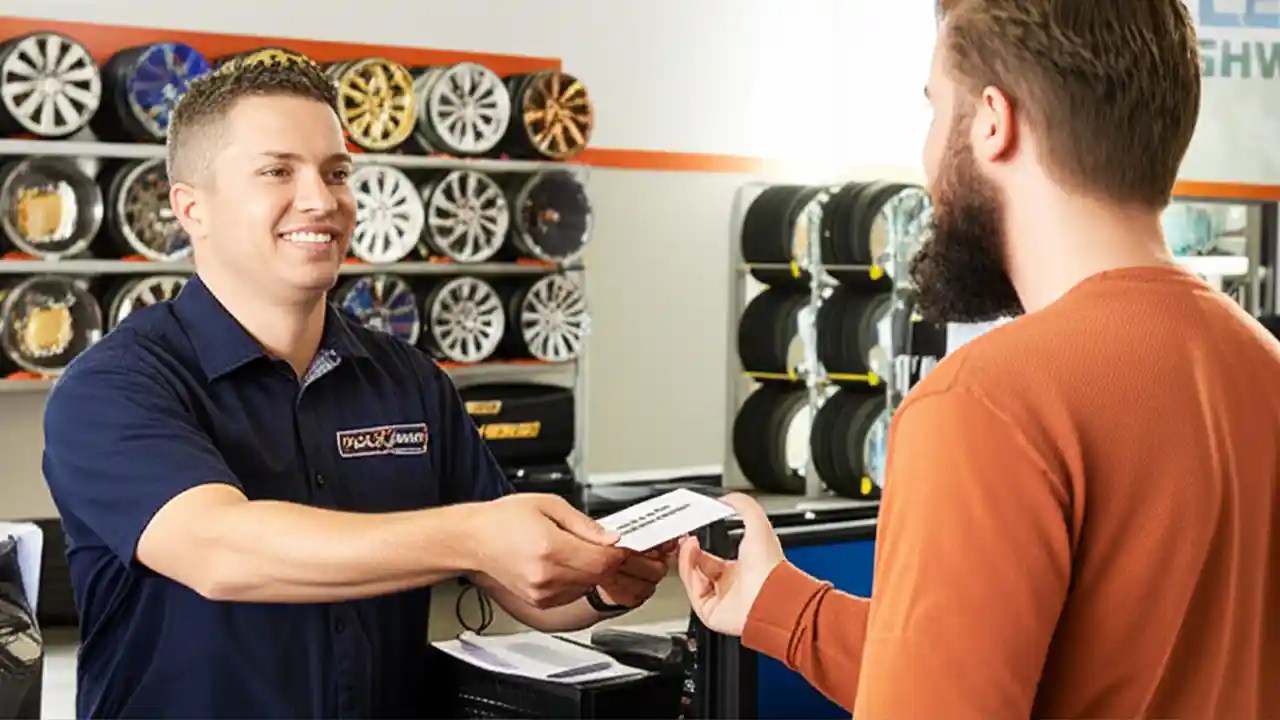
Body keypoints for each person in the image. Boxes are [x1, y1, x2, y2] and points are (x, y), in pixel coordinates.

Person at [677, 2, 1279, 718]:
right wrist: (783, 607)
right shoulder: (1261, 366)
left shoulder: (986, 403)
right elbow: (1050, 661)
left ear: (994, 121)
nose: (928, 154)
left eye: (936, 110)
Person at [40, 58, 670, 719]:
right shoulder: (114, 387)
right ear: (191, 207)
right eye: (278, 171)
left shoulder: (409, 381)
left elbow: (521, 589)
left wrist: (602, 582)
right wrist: (476, 534)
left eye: (337, 172)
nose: (322, 199)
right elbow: (221, 550)